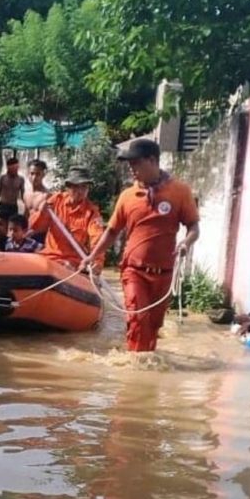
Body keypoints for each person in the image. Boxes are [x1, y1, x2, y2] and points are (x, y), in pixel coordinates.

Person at [83, 137, 200, 352]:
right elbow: (112, 231)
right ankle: (136, 372)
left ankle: (145, 365)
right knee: (138, 320)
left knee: (153, 326)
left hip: (164, 272)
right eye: (130, 164)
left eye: (136, 163)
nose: (132, 169)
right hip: (134, 270)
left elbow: (194, 227)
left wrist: (186, 242)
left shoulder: (180, 192)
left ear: (153, 160)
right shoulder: (127, 196)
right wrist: (93, 256)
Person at [28, 166, 105, 269]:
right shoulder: (55, 201)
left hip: (74, 262)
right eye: (77, 187)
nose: (81, 191)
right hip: (50, 258)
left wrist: (97, 261)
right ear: (68, 187)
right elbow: (35, 227)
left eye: (84, 187)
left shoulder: (91, 212)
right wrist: (42, 213)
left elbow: (97, 237)